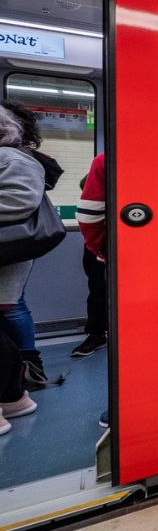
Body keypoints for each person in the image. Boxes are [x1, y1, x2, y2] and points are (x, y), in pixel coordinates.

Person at [2, 102, 57, 388]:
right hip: (9, 244)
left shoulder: (16, 160)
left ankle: (29, 369)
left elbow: (19, 201)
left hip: (10, 245)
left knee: (11, 306)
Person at [0, 105, 45, 432]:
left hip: (6, 258)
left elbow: (19, 202)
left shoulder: (16, 160)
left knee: (11, 315)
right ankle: (14, 394)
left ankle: (21, 382)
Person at [73, 154, 107, 358]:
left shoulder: (105, 159)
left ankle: (96, 334)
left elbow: (88, 215)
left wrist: (96, 249)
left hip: (103, 240)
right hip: (108, 242)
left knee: (99, 289)